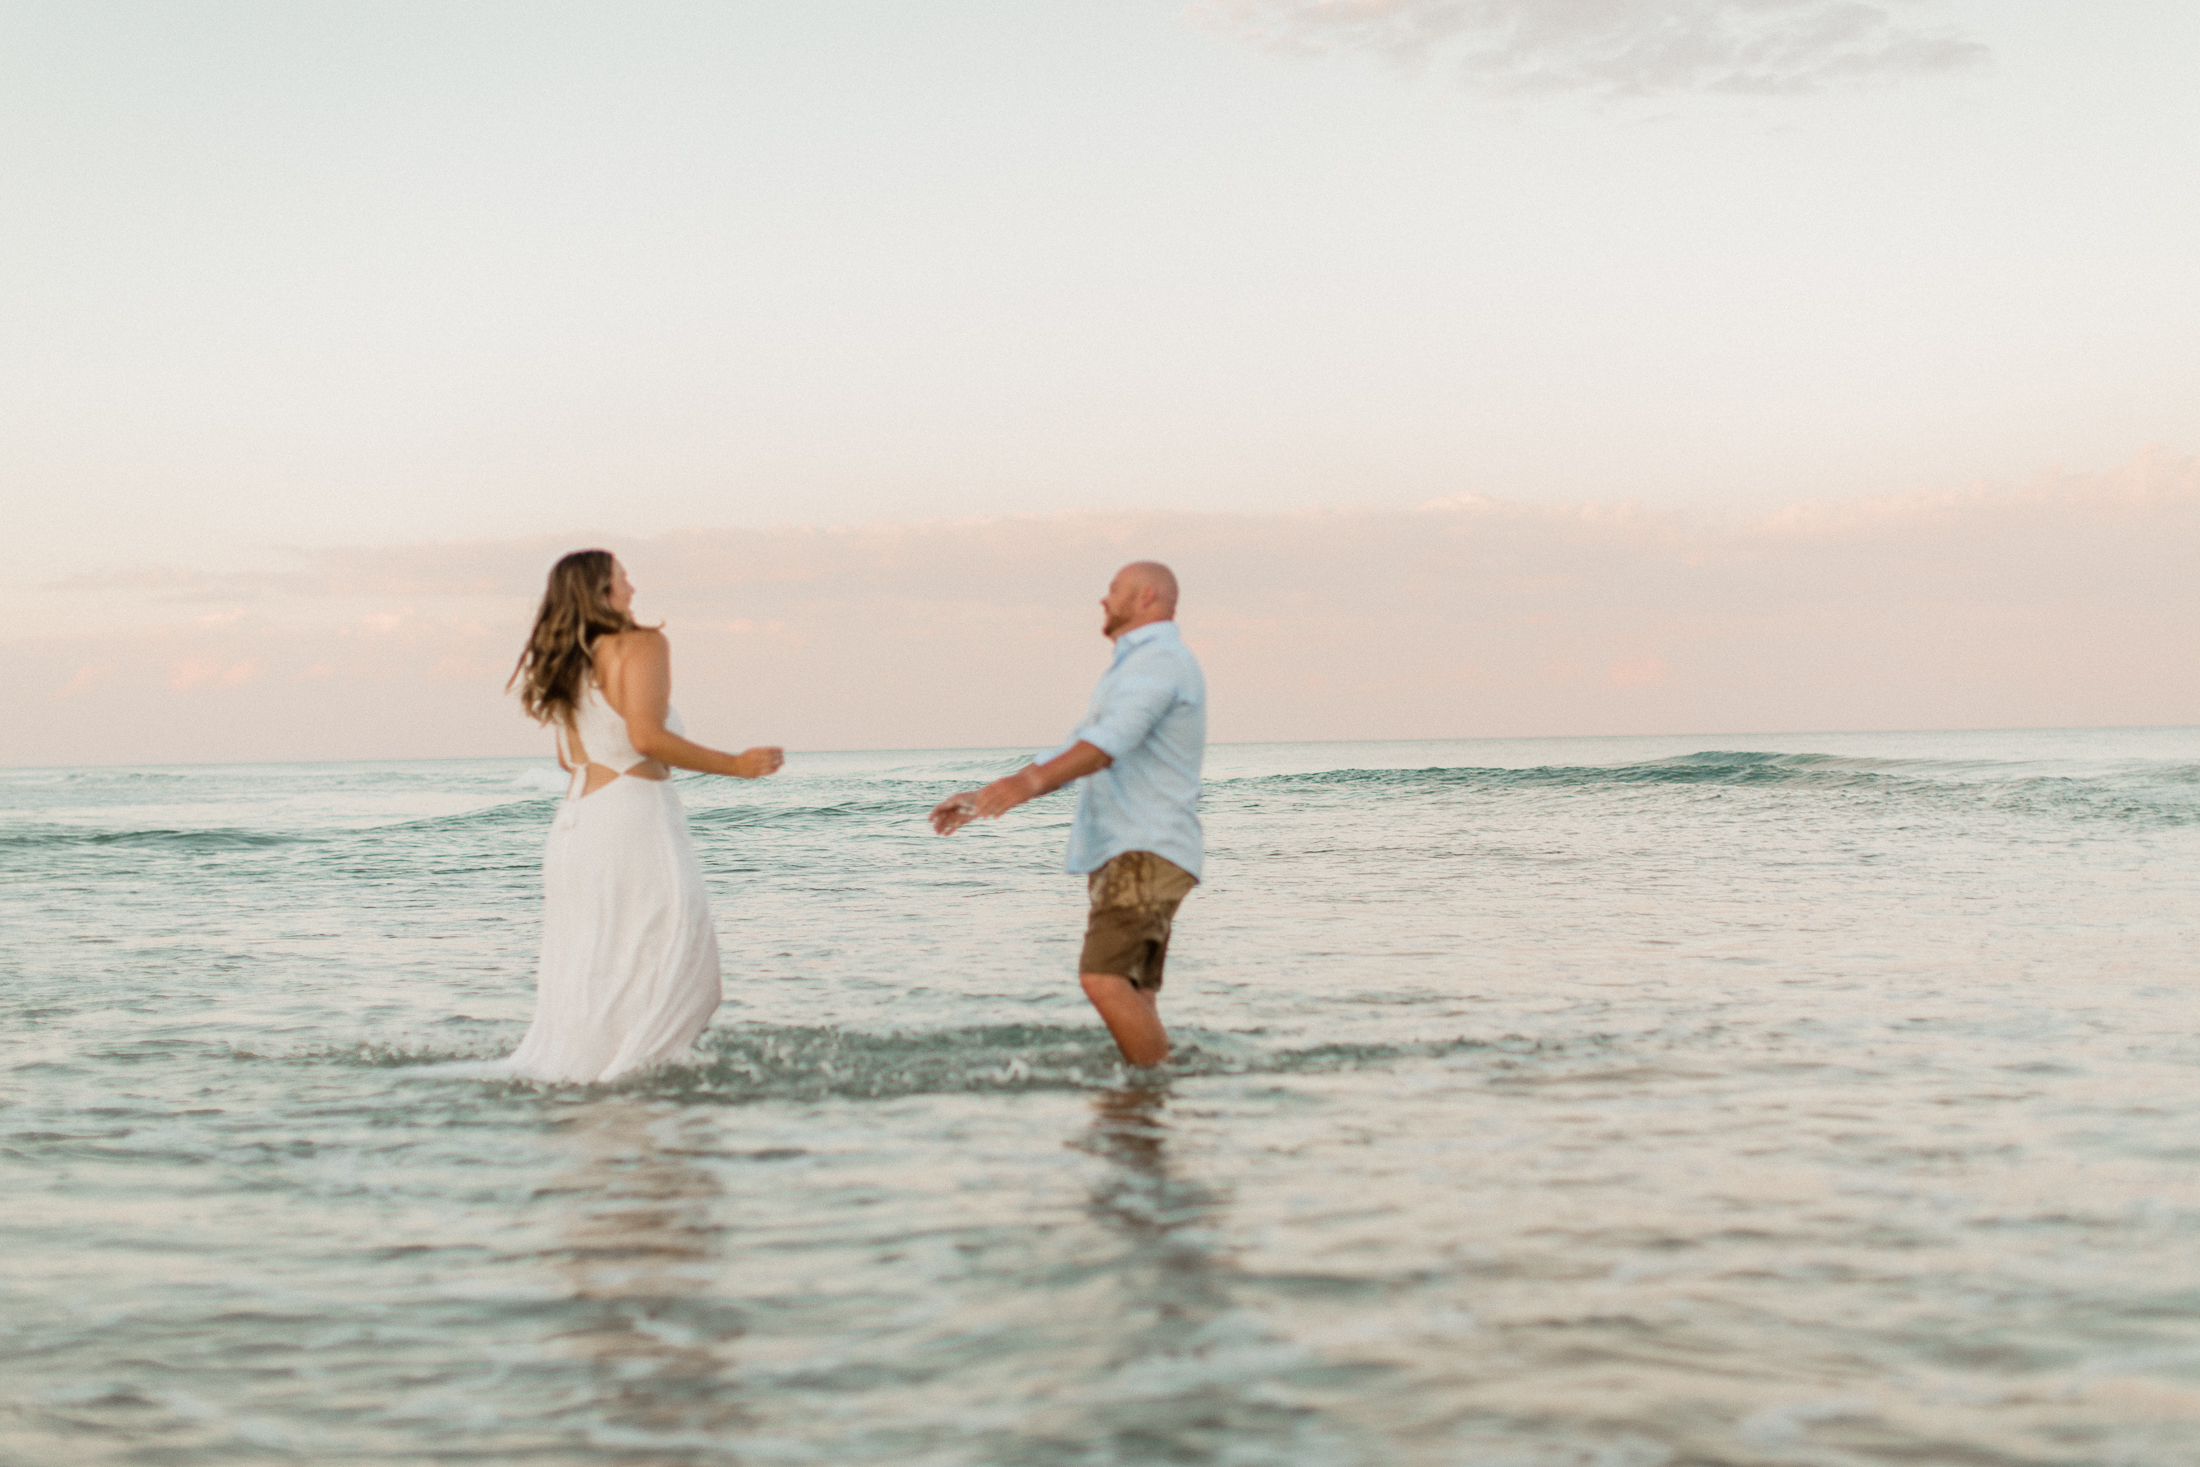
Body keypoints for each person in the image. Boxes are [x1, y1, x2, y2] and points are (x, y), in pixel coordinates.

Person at [496, 550, 783, 1083]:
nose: (633, 585)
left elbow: (568, 757)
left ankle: (602, 1089)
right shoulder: (643, 645)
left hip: (577, 827)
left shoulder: (569, 661)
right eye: (623, 577)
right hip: (634, 820)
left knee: (601, 970)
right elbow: (646, 738)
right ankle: (635, 1086)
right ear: (601, 591)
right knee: (684, 971)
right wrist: (736, 766)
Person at [931, 561, 1206, 1066]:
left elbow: (1107, 745)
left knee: (1102, 979)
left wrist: (1027, 783)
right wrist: (986, 796)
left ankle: (1155, 1091)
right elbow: (1075, 747)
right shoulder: (1135, 665)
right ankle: (1142, 1117)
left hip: (1143, 849)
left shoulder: (1159, 661)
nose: (1104, 600)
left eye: (1114, 591)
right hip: (1139, 849)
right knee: (1132, 990)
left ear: (1147, 598)